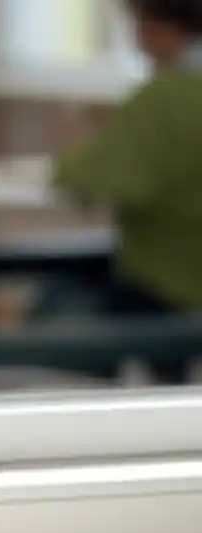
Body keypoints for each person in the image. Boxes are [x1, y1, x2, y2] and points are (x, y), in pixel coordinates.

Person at [50, 0, 202, 381]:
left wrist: (73, 146)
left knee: (53, 302)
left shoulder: (168, 96)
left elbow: (87, 181)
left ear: (160, 25)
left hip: (170, 282)